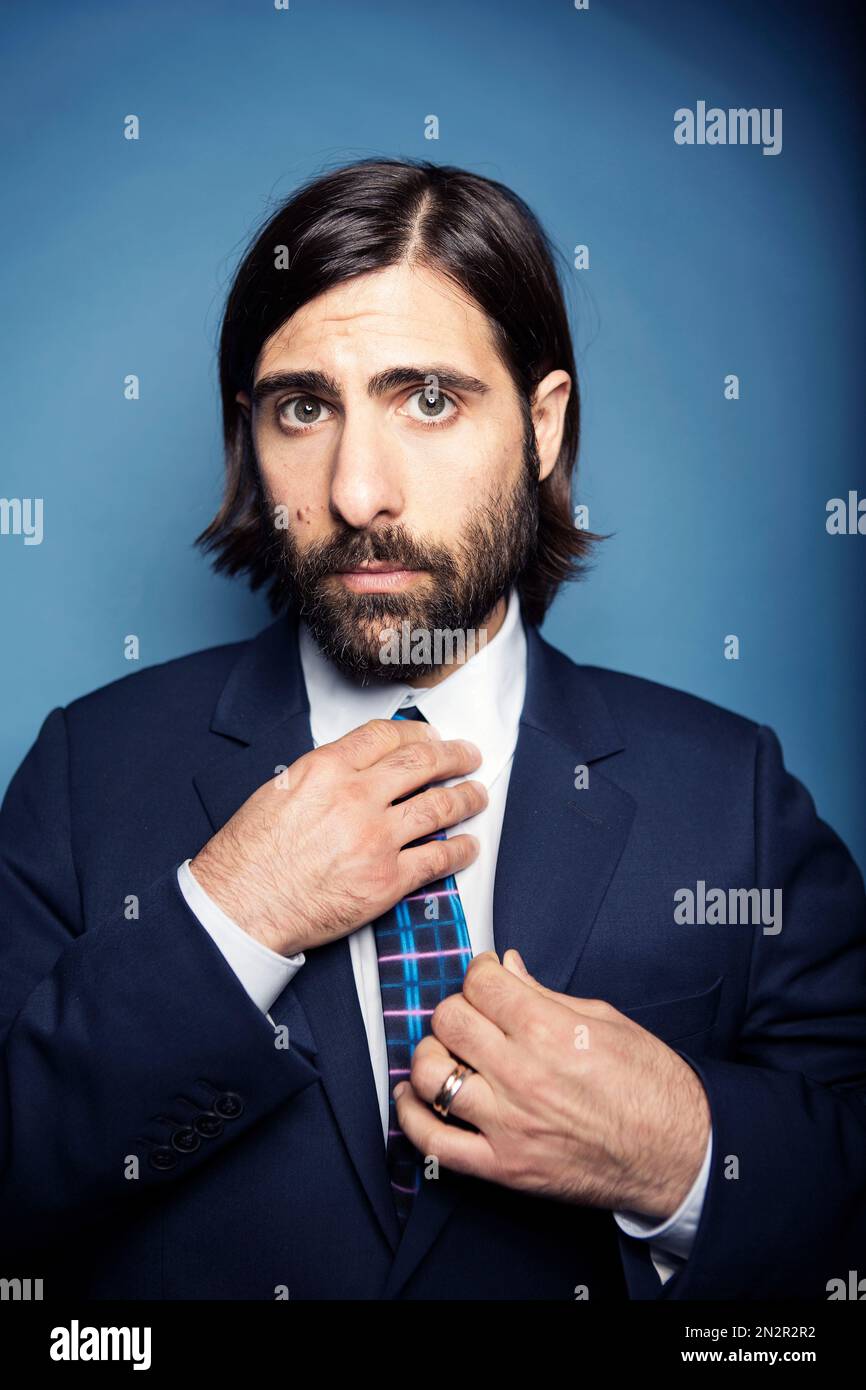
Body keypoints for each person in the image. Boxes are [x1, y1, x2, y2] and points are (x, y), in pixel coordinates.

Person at [1, 159, 864, 1300]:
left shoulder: (730, 791)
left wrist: (682, 1155)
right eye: (303, 408)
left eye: (429, 399)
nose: (359, 489)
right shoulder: (86, 769)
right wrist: (227, 922)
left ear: (541, 427)